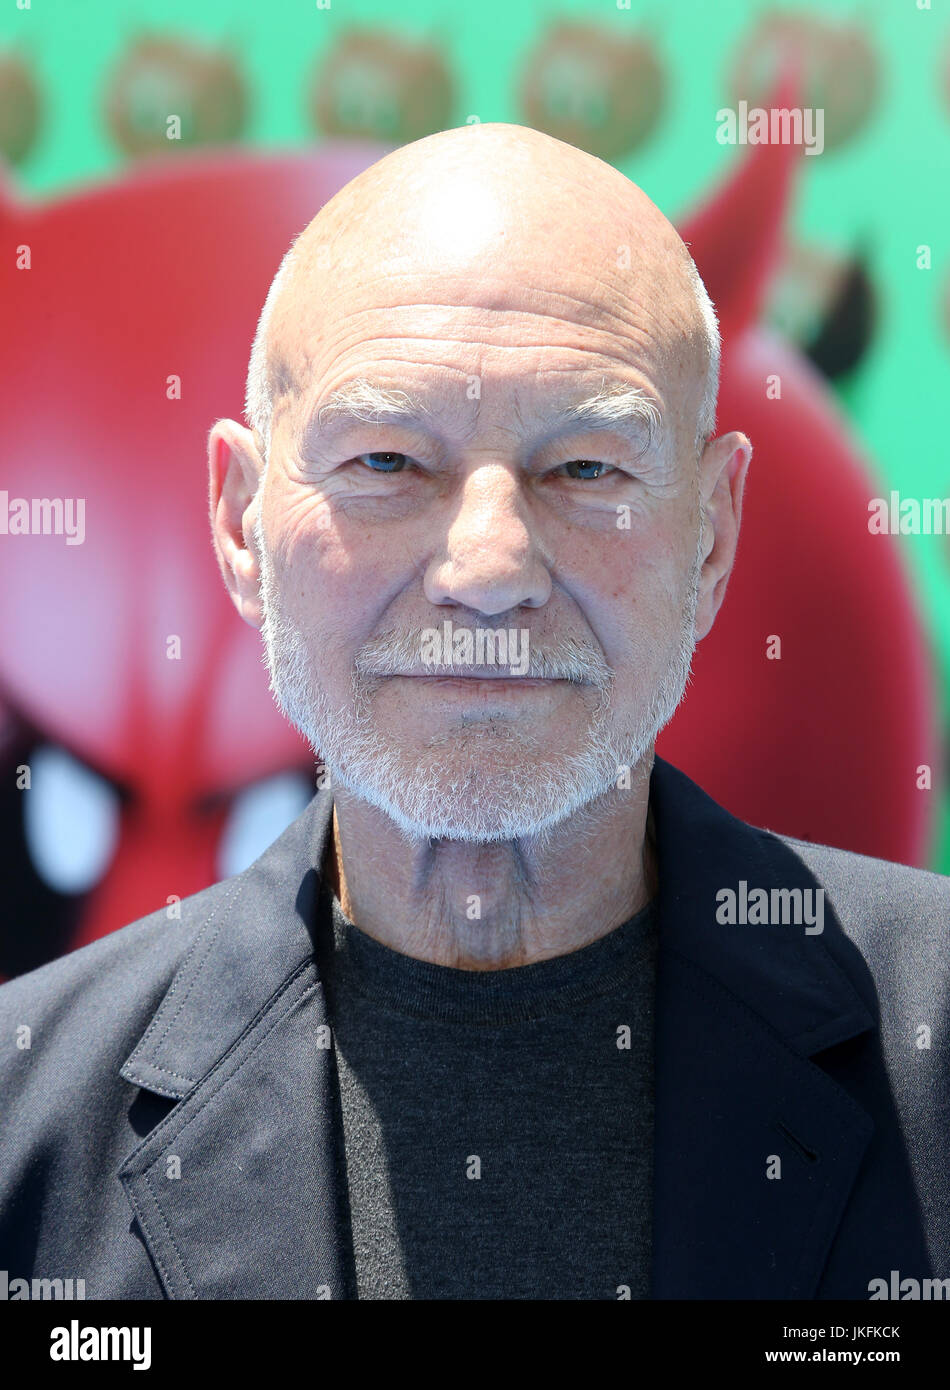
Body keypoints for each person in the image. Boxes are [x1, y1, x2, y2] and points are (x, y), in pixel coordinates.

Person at [1, 123, 947, 1301]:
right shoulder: (19, 1120)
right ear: (242, 524)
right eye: (389, 460)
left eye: (587, 467)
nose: (489, 563)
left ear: (711, 535)